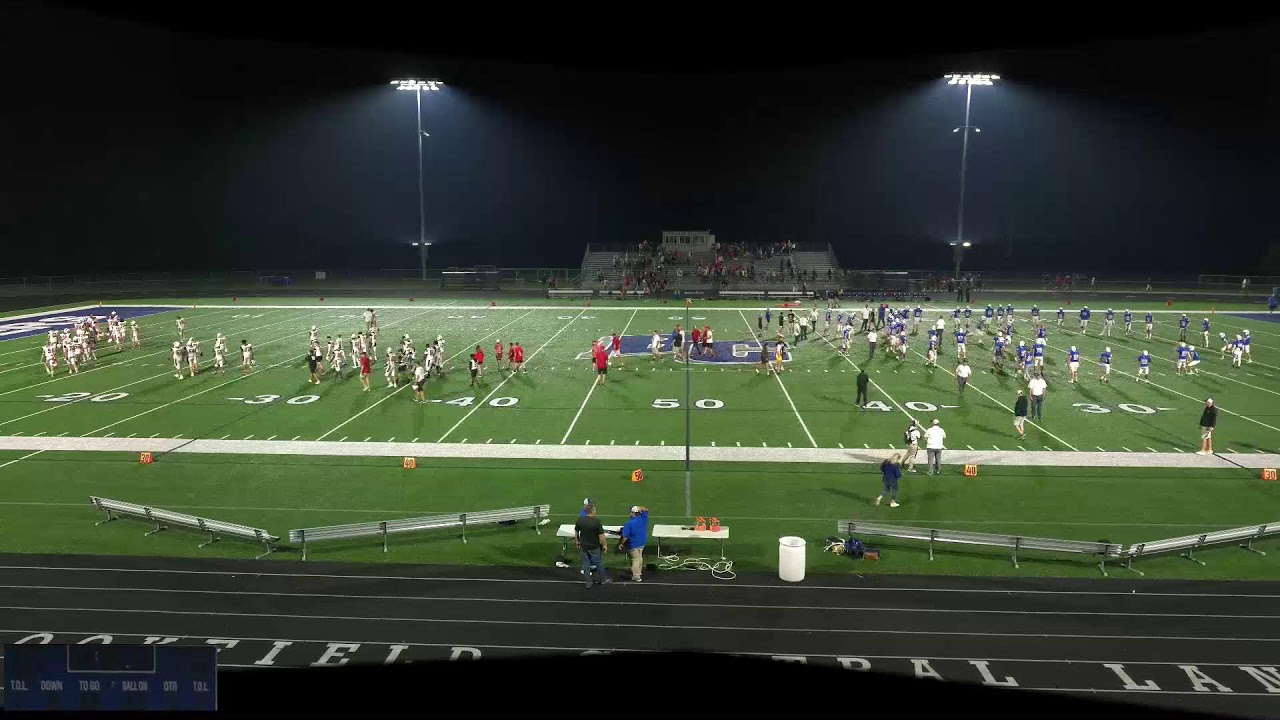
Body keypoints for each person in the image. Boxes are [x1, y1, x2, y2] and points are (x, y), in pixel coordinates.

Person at [574, 503, 610, 588]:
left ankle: (588, 582)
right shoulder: (596, 522)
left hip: (584, 546)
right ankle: (603, 579)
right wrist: (604, 545)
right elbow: (601, 536)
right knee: (599, 563)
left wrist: (577, 541)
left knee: (586, 564)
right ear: (592, 511)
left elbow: (576, 532)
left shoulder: (580, 520)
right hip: (594, 546)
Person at [619, 505, 649, 582]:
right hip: (642, 542)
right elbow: (646, 509)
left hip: (633, 544)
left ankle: (636, 576)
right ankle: (639, 572)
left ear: (633, 513)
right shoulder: (643, 518)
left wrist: (621, 544)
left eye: (631, 512)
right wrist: (639, 507)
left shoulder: (629, 524)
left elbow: (625, 536)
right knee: (639, 557)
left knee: (635, 560)